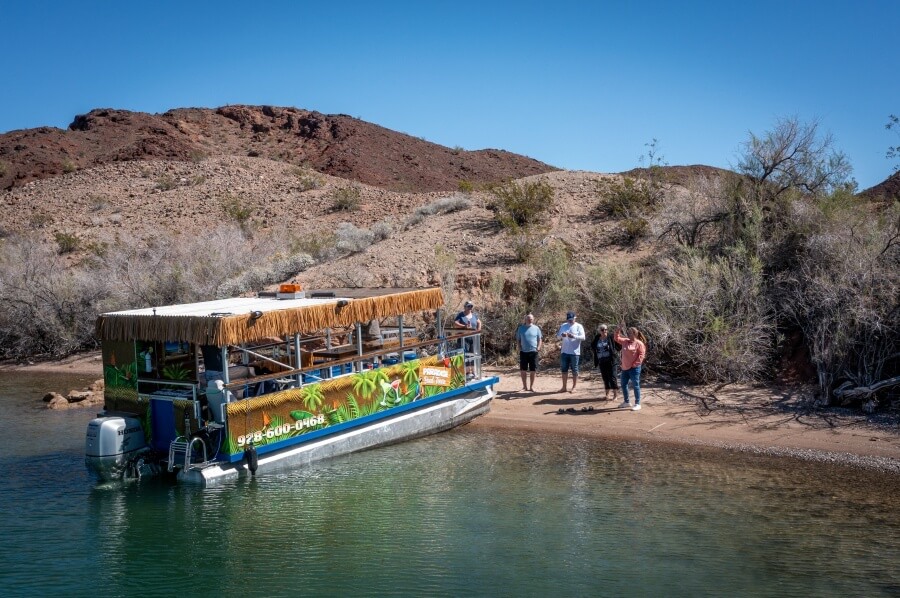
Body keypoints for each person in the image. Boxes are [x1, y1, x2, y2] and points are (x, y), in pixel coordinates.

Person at [615, 324, 647, 411]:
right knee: (623, 384)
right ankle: (627, 402)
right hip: (625, 368)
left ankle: (637, 404)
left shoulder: (639, 344)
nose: (628, 334)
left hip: (634, 369)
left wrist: (635, 364)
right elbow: (616, 338)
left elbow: (641, 355)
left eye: (630, 333)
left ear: (635, 334)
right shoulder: (625, 341)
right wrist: (617, 330)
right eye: (628, 333)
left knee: (635, 385)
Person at [556, 311, 585, 393]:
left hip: (575, 352)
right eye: (569, 320)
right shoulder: (563, 326)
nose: (570, 321)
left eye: (572, 319)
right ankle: (564, 387)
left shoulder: (579, 326)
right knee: (564, 369)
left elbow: (583, 337)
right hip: (564, 351)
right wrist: (562, 335)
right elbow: (558, 337)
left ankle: (574, 387)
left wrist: (574, 336)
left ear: (575, 318)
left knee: (574, 369)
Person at [515, 313, 543, 391]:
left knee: (533, 370)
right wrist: (519, 347)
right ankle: (524, 387)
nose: (529, 320)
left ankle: (531, 387)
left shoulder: (536, 328)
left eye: (531, 319)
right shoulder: (521, 328)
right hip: (523, 352)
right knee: (523, 370)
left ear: (533, 319)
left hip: (533, 352)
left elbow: (540, 339)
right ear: (525, 319)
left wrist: (539, 347)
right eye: (528, 319)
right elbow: (518, 339)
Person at [454, 301, 482, 376]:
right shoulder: (461, 315)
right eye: (468, 306)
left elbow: (479, 322)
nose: (470, 308)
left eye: (471, 306)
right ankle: (466, 372)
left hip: (473, 338)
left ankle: (472, 371)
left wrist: (478, 330)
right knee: (464, 354)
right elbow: (455, 323)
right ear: (465, 307)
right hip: (463, 339)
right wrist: (464, 326)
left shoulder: (474, 315)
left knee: (473, 354)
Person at [591, 323, 618, 401]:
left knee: (613, 377)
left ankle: (615, 395)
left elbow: (618, 346)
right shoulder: (597, 338)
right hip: (602, 361)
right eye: (602, 330)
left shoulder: (611, 337)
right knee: (605, 378)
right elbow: (592, 346)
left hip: (611, 361)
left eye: (606, 329)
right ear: (599, 331)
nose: (605, 331)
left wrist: (614, 352)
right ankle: (607, 394)